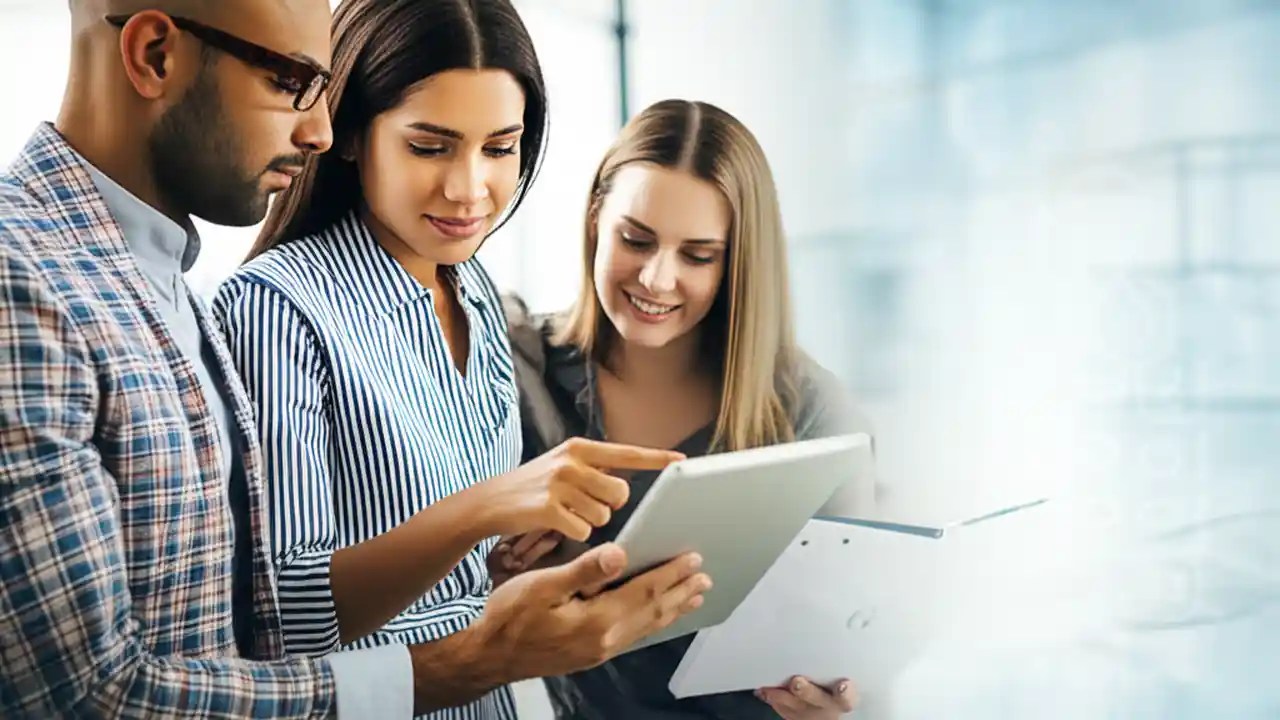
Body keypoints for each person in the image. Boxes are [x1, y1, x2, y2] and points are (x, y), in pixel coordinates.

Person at [0, 2, 707, 717]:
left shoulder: (472, 292)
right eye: (429, 146)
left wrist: (512, 564)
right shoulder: (258, 305)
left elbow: (227, 616)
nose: (470, 188)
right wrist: (479, 524)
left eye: (500, 148)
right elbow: (269, 623)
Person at [499, 99, 875, 719]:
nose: (656, 278)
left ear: (736, 262)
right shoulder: (521, 371)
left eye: (698, 255)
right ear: (596, 218)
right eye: (635, 239)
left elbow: (860, 626)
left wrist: (844, 705)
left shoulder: (811, 411)